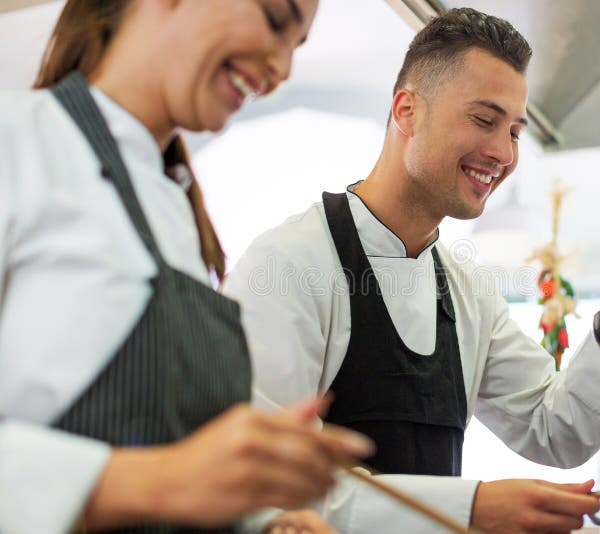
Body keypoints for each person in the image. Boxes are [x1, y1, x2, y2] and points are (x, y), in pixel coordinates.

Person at [222, 7, 600, 534]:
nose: (504, 153)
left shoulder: (467, 292)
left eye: (513, 131)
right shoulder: (289, 265)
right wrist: (471, 508)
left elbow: (556, 428)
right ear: (406, 111)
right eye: (485, 121)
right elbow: (261, 486)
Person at [0, 1, 375, 533]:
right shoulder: (14, 143)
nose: (283, 70)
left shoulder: (182, 214)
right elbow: (169, 474)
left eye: (297, 46)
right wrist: (157, 482)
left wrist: (261, 521)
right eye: (274, 20)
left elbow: (180, 455)